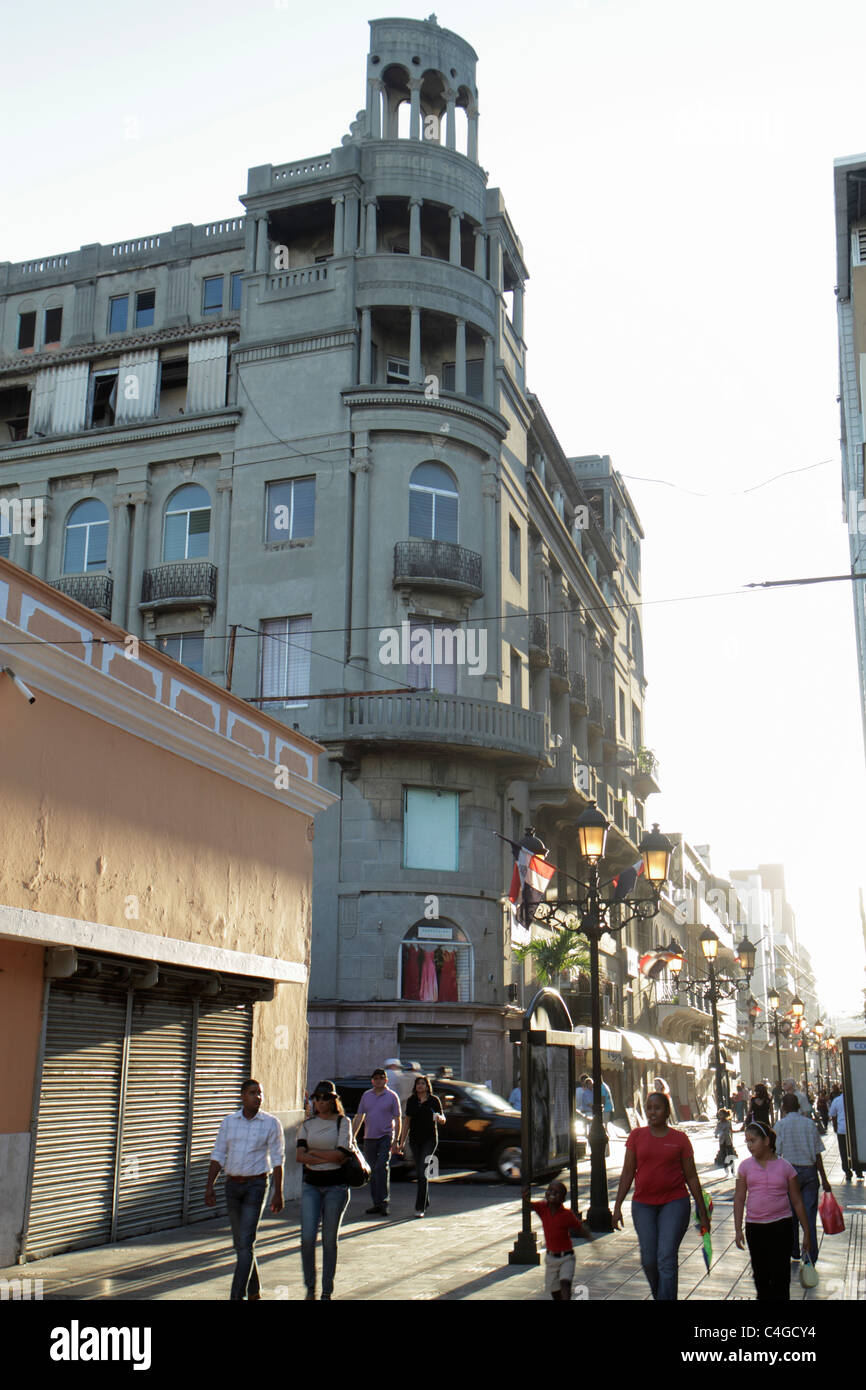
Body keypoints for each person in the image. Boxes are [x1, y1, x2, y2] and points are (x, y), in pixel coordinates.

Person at [612, 1091, 710, 1300]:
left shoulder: (680, 1139)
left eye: (657, 1108)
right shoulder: (636, 1136)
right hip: (643, 1205)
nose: (652, 1112)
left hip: (674, 1203)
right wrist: (617, 1206)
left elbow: (691, 1176)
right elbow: (628, 1172)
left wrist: (701, 1209)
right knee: (649, 1260)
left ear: (666, 1111)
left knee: (666, 1256)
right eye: (649, 1108)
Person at [205, 1078, 284, 1301]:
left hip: (256, 1186)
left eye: (260, 1093)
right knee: (241, 1244)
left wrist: (279, 1192)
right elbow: (218, 1154)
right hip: (232, 1186)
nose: (257, 1097)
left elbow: (278, 1159)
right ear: (242, 1096)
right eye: (252, 1093)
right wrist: (209, 1186)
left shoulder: (271, 1123)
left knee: (245, 1242)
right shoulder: (229, 1122)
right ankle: (254, 1290)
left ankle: (236, 1295)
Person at [734, 1121, 810, 1300]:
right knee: (760, 1274)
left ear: (766, 1141)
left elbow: (797, 1201)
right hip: (755, 1227)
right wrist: (738, 1229)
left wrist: (807, 1231)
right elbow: (739, 1198)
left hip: (781, 1226)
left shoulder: (786, 1168)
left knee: (780, 1275)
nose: (749, 1145)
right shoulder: (744, 1167)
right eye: (747, 1141)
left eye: (753, 1141)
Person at [296, 1080, 352, 1300]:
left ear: (333, 1100)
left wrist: (314, 1154)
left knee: (329, 1240)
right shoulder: (307, 1125)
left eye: (325, 1097)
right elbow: (300, 1156)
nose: (320, 1102)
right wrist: (326, 1155)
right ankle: (310, 1288)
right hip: (311, 1185)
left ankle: (327, 1291)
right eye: (317, 1098)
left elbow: (341, 1156)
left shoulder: (342, 1122)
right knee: (307, 1238)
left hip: (336, 1187)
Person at [774, 1093, 832, 1263]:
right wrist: (824, 1179)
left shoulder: (781, 1125)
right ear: (798, 1105)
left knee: (790, 1214)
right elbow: (817, 1154)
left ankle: (794, 1249)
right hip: (809, 1172)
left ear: (784, 1107)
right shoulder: (809, 1124)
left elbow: (777, 1153)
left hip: (789, 1173)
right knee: (808, 1217)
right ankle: (810, 1256)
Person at [531, 1180, 593, 1300]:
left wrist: (590, 1238)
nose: (552, 1193)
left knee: (565, 1283)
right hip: (551, 1258)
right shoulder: (542, 1208)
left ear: (563, 1199)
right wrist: (525, 1196)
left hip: (567, 1257)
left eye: (557, 1192)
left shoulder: (567, 1214)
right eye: (550, 1190)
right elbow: (529, 1205)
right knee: (554, 1291)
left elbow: (579, 1227)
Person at [352, 1067, 402, 1216]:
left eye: (381, 1078)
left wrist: (396, 1141)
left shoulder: (392, 1096)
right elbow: (359, 1116)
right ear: (372, 1081)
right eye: (376, 1079)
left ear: (386, 1080)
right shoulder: (366, 1096)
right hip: (369, 1137)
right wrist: (352, 1136)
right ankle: (376, 1203)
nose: (379, 1081)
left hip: (385, 1135)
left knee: (382, 1167)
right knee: (372, 1170)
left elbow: (398, 1119)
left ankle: (384, 1202)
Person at [398, 1073, 444, 1216]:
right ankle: (425, 1200)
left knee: (423, 1172)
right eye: (418, 1083)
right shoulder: (412, 1101)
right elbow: (407, 1122)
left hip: (429, 1139)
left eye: (423, 1083)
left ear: (427, 1086)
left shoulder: (434, 1100)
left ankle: (420, 1207)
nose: (420, 1085)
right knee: (420, 1172)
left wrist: (439, 1118)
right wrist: (401, 1141)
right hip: (415, 1140)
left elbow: (443, 1119)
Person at [828, 1090, 864, 1181]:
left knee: (843, 1151)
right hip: (855, 1130)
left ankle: (847, 1172)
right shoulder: (856, 1099)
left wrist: (835, 1126)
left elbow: (832, 1114)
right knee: (856, 1150)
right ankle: (858, 1170)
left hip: (842, 1130)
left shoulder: (837, 1100)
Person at [715, 1108, 736, 1174]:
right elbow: (716, 1130)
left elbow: (731, 1130)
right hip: (721, 1141)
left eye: (721, 1115)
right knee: (723, 1154)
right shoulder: (719, 1123)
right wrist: (716, 1134)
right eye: (719, 1115)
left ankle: (732, 1168)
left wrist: (729, 1132)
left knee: (730, 1154)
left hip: (728, 1140)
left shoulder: (728, 1122)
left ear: (724, 1115)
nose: (720, 1116)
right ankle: (725, 1167)